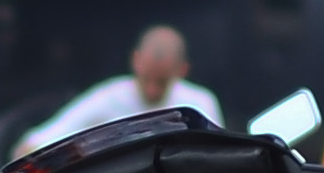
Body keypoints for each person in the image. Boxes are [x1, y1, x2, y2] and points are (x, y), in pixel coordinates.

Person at [22, 26, 222, 152]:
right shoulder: (109, 97)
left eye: (161, 82)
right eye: (146, 80)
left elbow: (218, 157)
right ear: (136, 60)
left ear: (182, 70)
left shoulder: (200, 104)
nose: (152, 91)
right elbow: (36, 144)